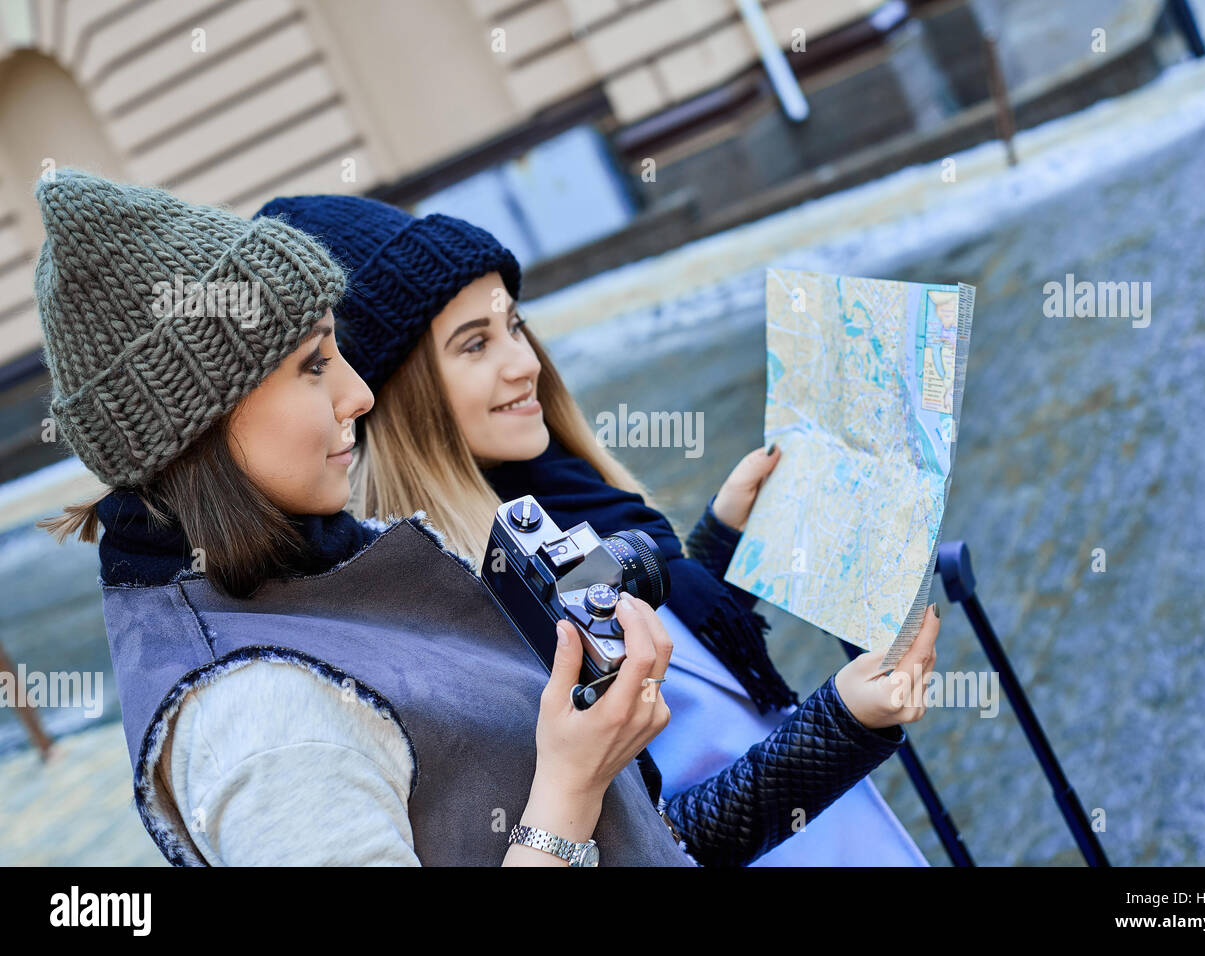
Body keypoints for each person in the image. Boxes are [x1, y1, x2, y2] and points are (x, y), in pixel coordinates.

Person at [34, 170, 939, 867]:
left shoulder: (362, 577)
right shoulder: (259, 719)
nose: (355, 393)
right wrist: (571, 790)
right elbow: (647, 814)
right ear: (201, 417)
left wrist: (720, 553)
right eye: (315, 364)